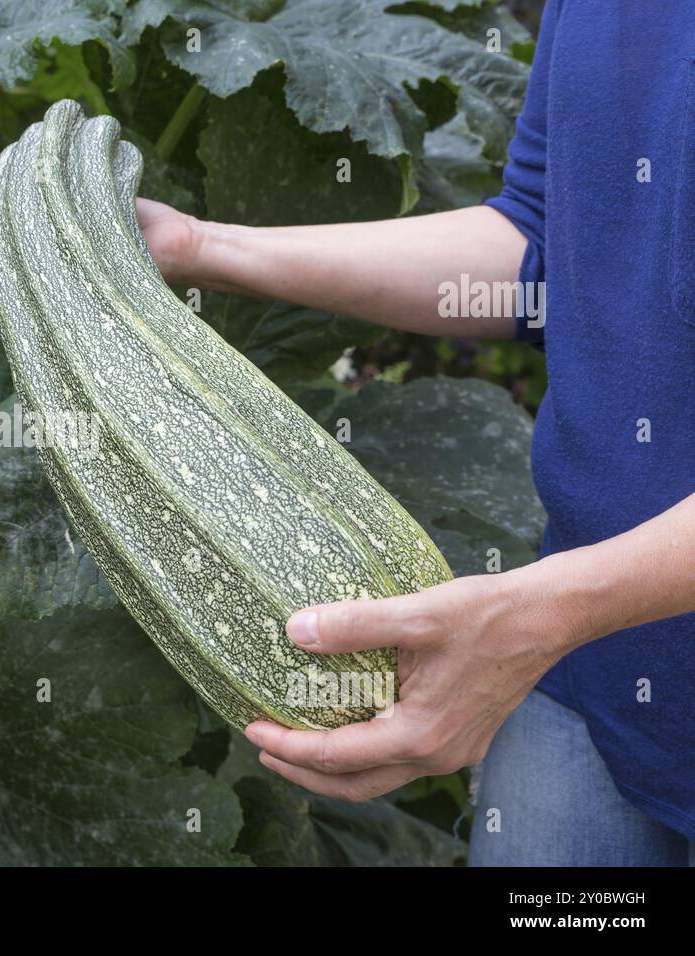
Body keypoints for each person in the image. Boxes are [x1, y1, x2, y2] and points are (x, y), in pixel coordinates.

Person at [134, 2, 694, 866]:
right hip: (585, 685)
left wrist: (537, 616)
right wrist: (205, 247)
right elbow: (540, 243)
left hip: (554, 621)